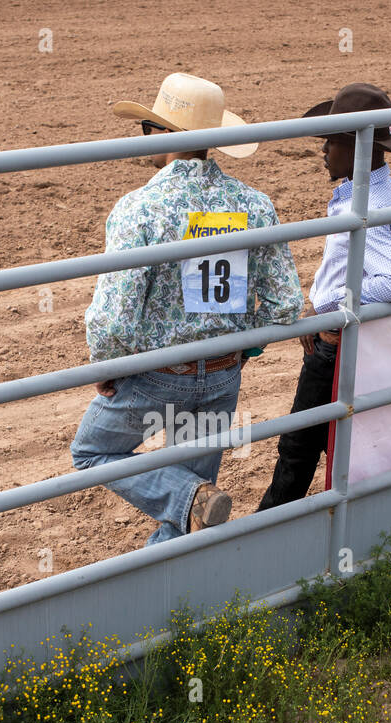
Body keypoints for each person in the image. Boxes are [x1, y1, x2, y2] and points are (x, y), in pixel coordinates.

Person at [71, 73, 304, 545]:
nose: (146, 138)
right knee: (188, 508)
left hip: (159, 376)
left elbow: (114, 319)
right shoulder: (254, 206)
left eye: (148, 127)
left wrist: (108, 365)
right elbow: (286, 305)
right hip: (221, 374)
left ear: (168, 134)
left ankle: (188, 500)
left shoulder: (141, 208)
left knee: (92, 454)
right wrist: (244, 347)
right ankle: (183, 577)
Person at [257, 83, 391, 512]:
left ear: (354, 145)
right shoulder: (382, 192)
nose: (323, 151)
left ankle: (264, 534)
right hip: (357, 342)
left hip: (334, 346)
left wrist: (328, 306)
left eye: (330, 140)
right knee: (339, 441)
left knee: (298, 448)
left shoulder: (362, 206)